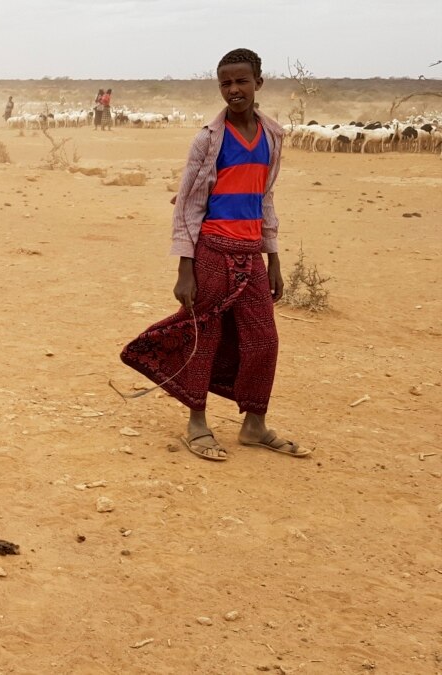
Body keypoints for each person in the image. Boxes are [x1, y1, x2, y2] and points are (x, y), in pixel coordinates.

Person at [120, 48, 308, 462]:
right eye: (226, 83)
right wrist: (184, 269)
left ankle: (254, 425)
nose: (234, 90)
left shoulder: (272, 136)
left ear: (258, 83)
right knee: (204, 338)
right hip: (212, 251)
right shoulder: (208, 139)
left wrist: (273, 259)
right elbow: (187, 204)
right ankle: (197, 423)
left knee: (264, 340)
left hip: (250, 254)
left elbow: (266, 199)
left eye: (242, 81)